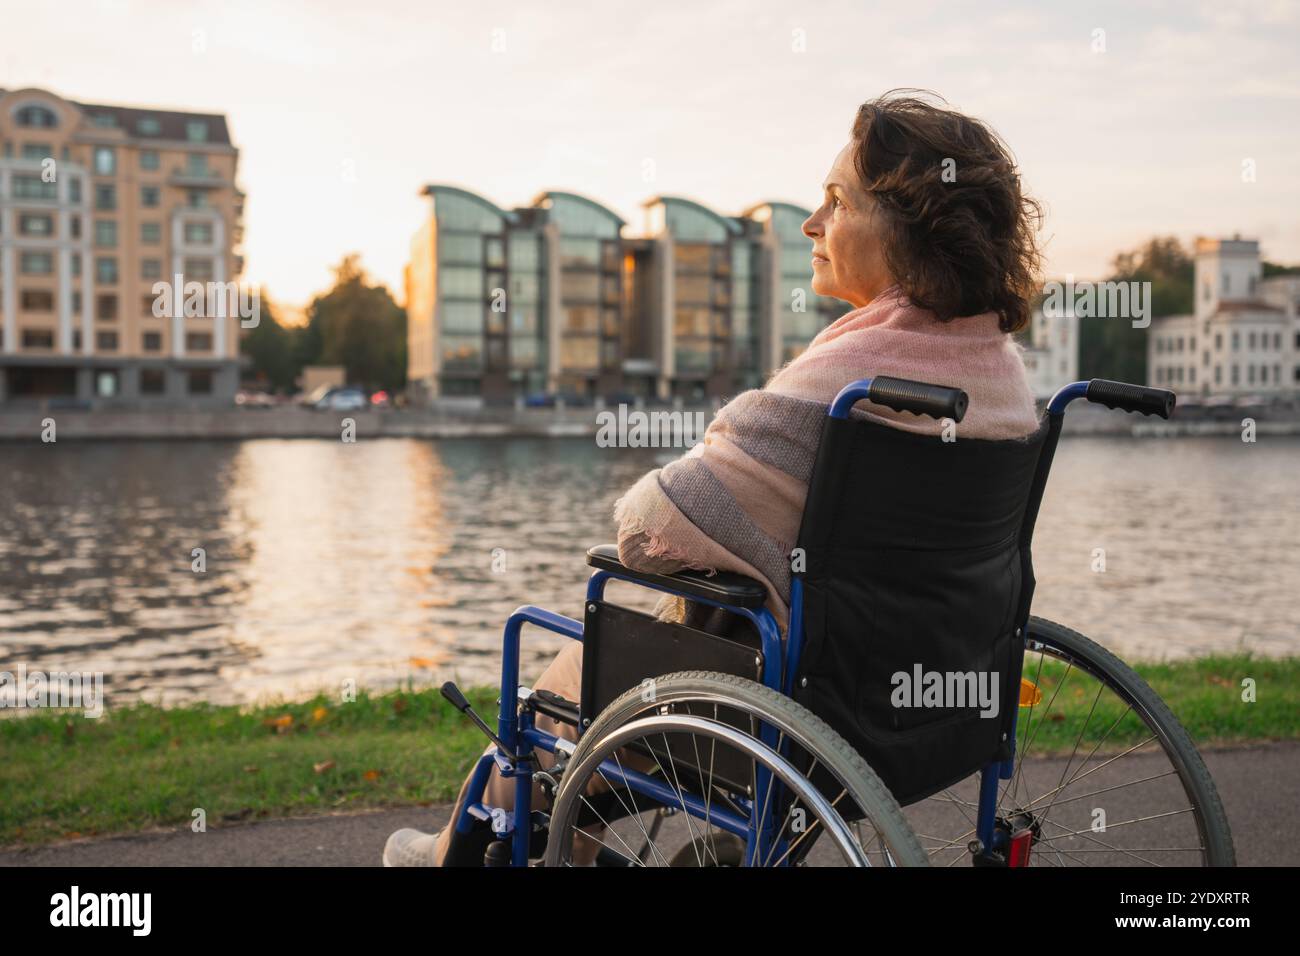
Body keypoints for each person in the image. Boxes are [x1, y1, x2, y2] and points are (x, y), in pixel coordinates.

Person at [384, 89, 1044, 866]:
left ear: (907, 229)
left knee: (566, 676)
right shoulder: (1003, 378)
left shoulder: (841, 385)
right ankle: (553, 846)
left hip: (798, 700)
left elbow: (647, 528)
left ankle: (456, 853)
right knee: (635, 677)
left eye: (837, 201)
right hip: (936, 696)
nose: (812, 223)